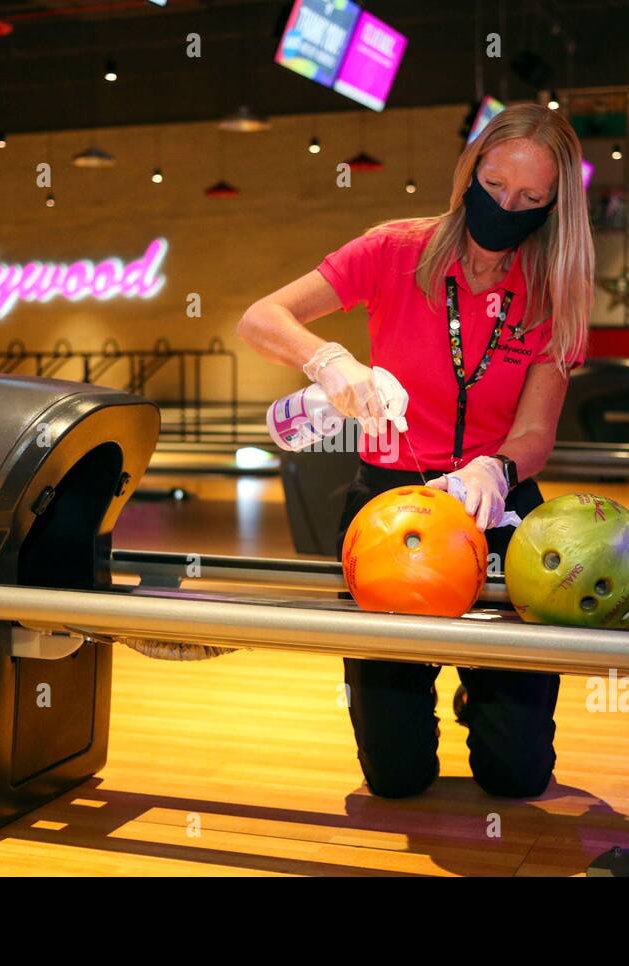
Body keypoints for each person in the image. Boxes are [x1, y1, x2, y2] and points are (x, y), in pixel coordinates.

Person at [237, 103, 593, 799]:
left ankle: (484, 692)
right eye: (493, 188)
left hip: (496, 509)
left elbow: (537, 431)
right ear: (468, 173)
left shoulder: (557, 288)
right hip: (389, 502)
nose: (506, 207)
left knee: (515, 778)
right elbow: (262, 317)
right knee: (395, 780)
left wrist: (498, 467)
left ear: (554, 206)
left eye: (529, 199)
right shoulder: (395, 250)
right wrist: (330, 361)